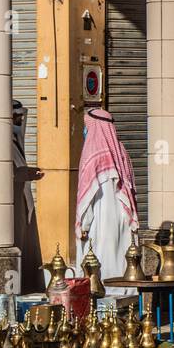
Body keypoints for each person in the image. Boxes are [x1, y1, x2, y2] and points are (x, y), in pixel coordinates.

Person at [75, 108, 138, 293]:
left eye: (86, 126)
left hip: (100, 220)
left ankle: (102, 305)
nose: (85, 131)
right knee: (120, 259)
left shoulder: (92, 153)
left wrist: (83, 225)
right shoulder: (121, 152)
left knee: (100, 261)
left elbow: (88, 195)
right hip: (122, 218)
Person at [12, 101, 45, 292]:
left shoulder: (16, 143)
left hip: (23, 205)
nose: (19, 121)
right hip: (12, 207)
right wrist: (27, 173)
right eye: (16, 118)